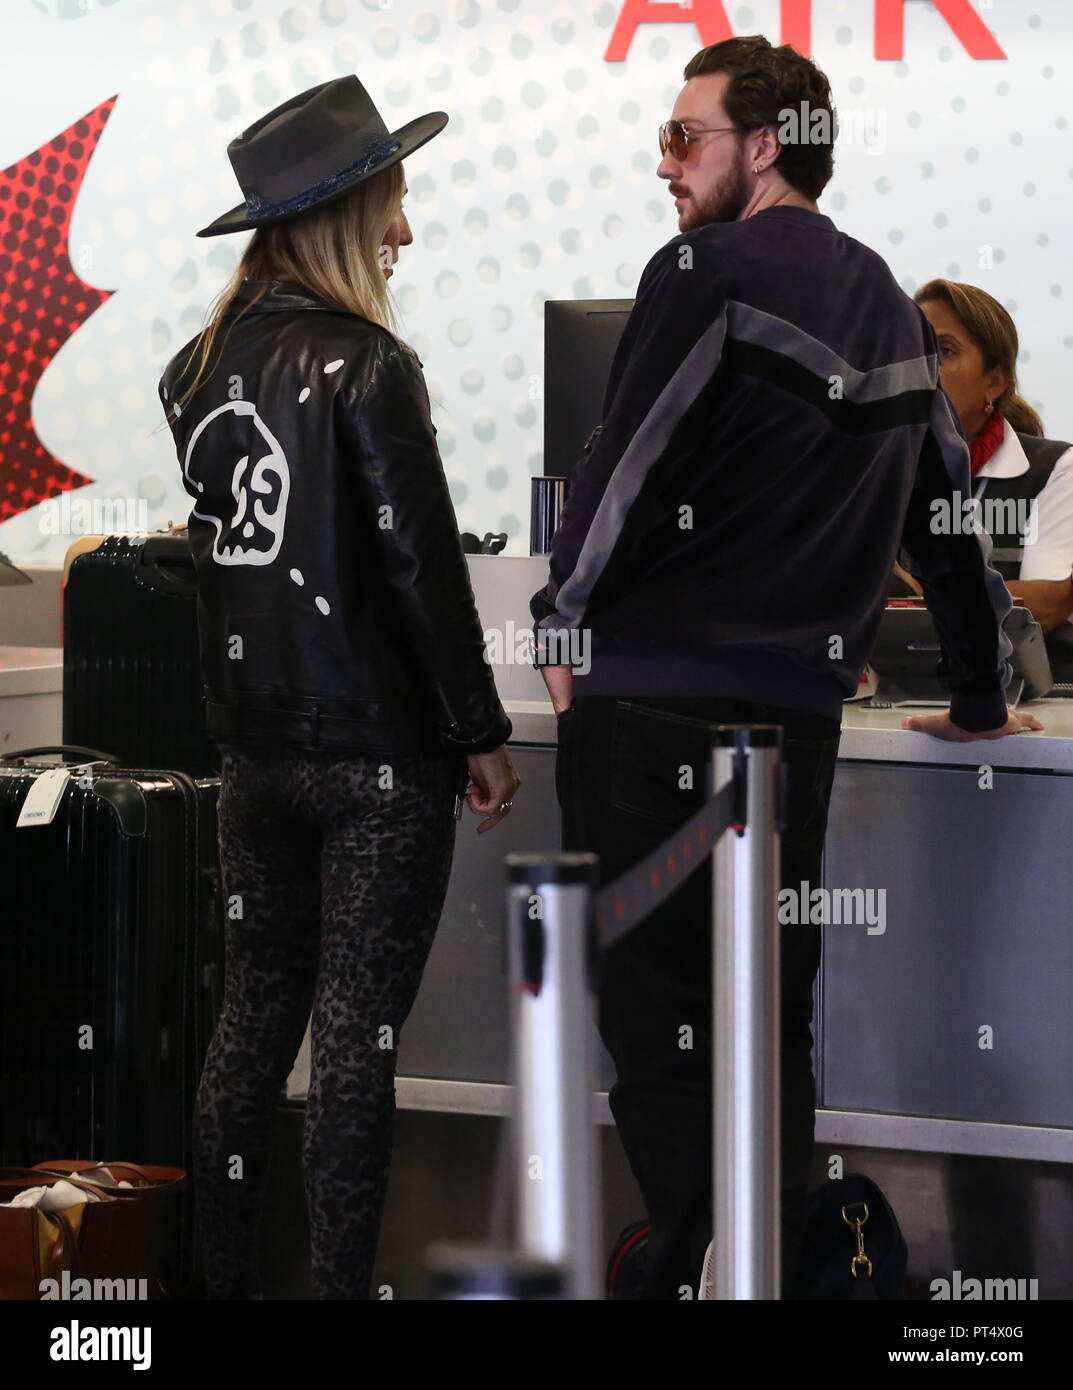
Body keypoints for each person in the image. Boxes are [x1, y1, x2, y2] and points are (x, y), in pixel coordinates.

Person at [531, 35, 1040, 1299]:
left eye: (680, 136)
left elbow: (622, 458)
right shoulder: (880, 296)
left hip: (648, 716)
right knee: (764, 1018)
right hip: (787, 733)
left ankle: (702, 1264)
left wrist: (558, 614)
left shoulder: (703, 266)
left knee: (657, 1032)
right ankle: (753, 1263)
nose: (663, 164)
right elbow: (945, 509)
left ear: (762, 145)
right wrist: (976, 693)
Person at [157, 76, 519, 1300]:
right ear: (343, 215)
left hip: (251, 758)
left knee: (248, 1029)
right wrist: (477, 731)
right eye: (392, 206)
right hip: (377, 763)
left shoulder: (190, 369)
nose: (403, 235)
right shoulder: (369, 363)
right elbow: (420, 572)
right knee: (356, 1044)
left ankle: (220, 1282)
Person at [908, 279, 1073, 682]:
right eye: (915, 350)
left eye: (944, 351)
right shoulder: (885, 467)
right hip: (895, 698)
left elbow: (1048, 602)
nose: (924, 367)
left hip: (1037, 708)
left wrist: (910, 594)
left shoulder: (1055, 467)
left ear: (995, 381)